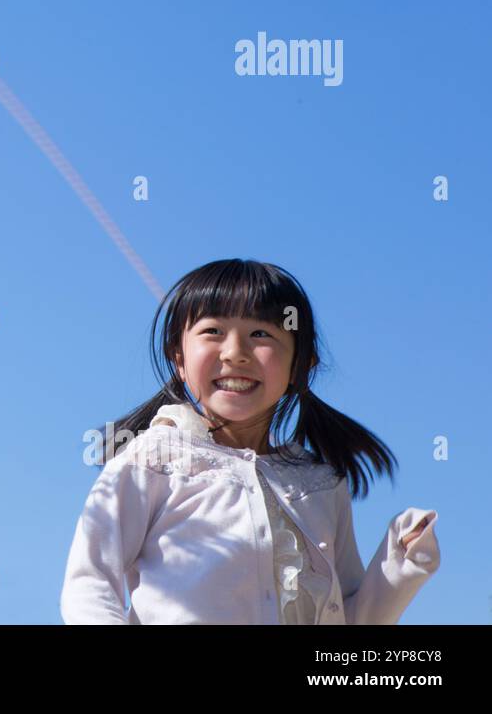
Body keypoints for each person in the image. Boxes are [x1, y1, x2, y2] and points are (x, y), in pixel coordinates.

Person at [60, 258, 439, 624]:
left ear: (300, 365)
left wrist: (401, 564)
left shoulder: (321, 485)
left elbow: (347, 616)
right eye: (213, 331)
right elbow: (89, 584)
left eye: (261, 334)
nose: (235, 353)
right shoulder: (153, 458)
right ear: (179, 357)